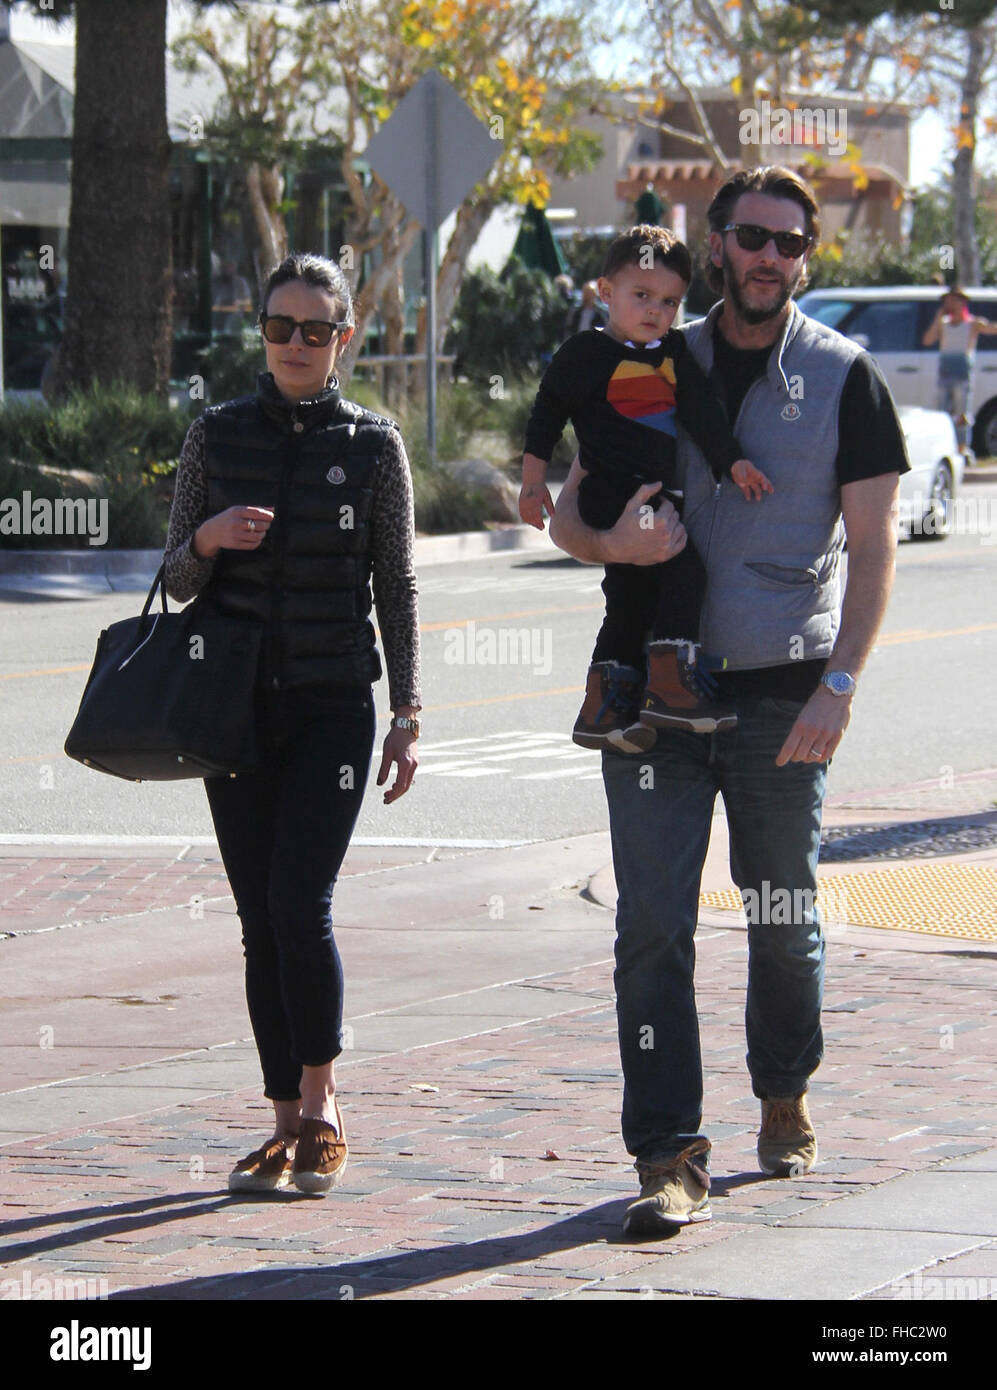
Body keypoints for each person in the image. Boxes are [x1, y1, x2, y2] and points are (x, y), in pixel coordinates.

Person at [549, 166, 909, 1234]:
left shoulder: (844, 378)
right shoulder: (651, 349)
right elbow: (571, 507)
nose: (768, 257)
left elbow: (878, 547)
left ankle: (784, 1086)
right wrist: (607, 542)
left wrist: (839, 685)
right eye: (752, 237)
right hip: (653, 692)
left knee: (783, 917)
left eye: (788, 244)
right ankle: (667, 1150)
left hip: (781, 693)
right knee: (651, 926)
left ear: (807, 258)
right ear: (718, 245)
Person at [163, 252, 421, 1196]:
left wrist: (408, 711)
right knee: (253, 919)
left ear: (344, 339)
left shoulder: (373, 444)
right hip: (233, 708)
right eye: (281, 328)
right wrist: (206, 537)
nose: (297, 345)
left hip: (332, 705)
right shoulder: (215, 432)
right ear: (260, 331)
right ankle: (277, 1122)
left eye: (317, 330)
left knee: (296, 904)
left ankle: (321, 1107)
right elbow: (175, 576)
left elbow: (394, 583)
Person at [521, 225, 772, 750]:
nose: (655, 310)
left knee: (630, 600)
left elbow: (703, 414)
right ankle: (673, 688)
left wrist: (735, 462)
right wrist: (531, 482)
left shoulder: (674, 352)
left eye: (669, 301)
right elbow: (546, 414)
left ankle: (604, 708)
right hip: (612, 493)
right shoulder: (584, 353)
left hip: (657, 494)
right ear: (606, 292)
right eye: (641, 296)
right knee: (686, 573)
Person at [921, 286, 997, 449]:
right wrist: (937, 319)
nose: (951, 304)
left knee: (962, 414)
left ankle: (962, 447)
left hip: (962, 374)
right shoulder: (943, 324)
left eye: (955, 300)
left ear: (963, 302)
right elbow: (927, 340)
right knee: (942, 412)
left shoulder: (973, 324)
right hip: (945, 373)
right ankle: (942, 446)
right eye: (948, 300)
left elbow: (992, 329)